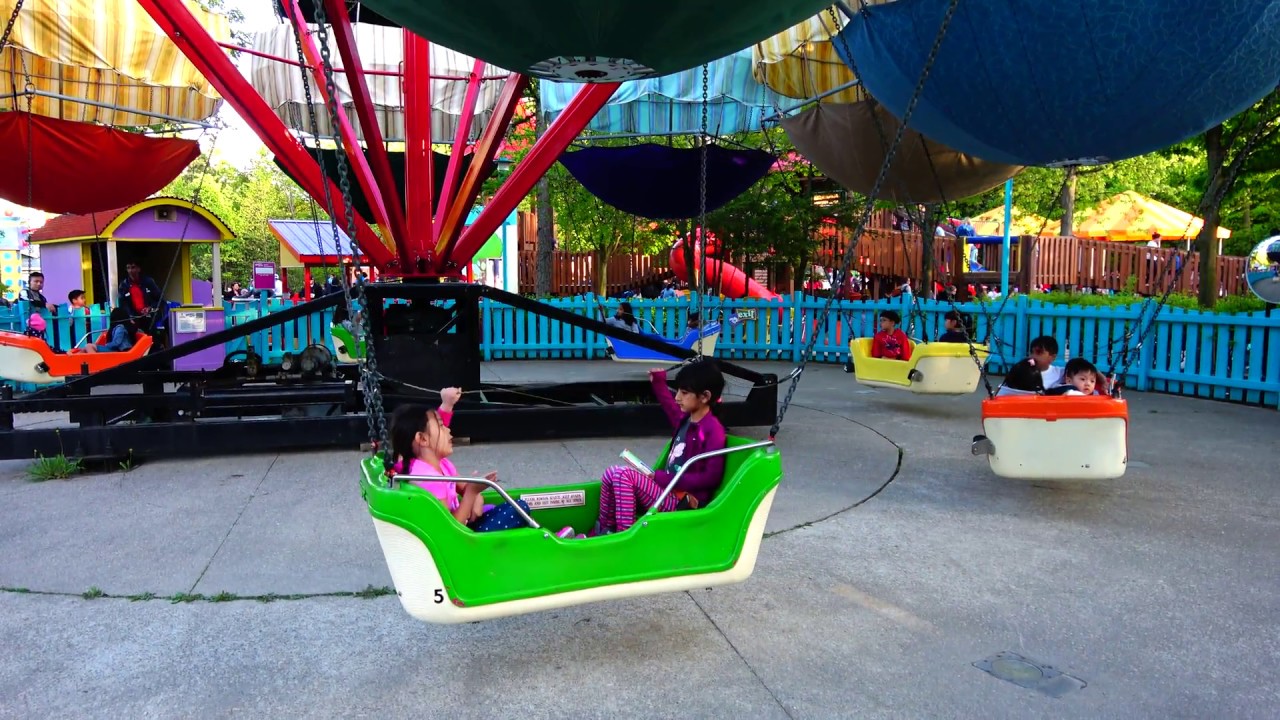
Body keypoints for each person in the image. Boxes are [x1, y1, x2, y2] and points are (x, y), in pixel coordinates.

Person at [585, 362, 727, 536]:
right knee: (611, 473)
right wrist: (659, 382)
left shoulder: (713, 430)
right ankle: (603, 531)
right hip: (667, 491)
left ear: (705, 396)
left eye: (684, 393)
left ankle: (625, 537)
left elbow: (710, 478)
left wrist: (663, 478)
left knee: (623, 475)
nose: (678, 398)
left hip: (683, 501)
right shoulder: (685, 420)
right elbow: (670, 406)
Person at [386, 388, 551, 534]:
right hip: (461, 542)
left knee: (512, 508)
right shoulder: (427, 479)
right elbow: (449, 532)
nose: (448, 429)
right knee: (519, 510)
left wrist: (475, 494)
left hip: (465, 527)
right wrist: (472, 493)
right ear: (422, 439)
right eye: (442, 426)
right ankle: (550, 543)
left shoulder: (439, 464)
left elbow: (463, 487)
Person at [997, 335, 1062, 395]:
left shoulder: (1061, 373)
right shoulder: (1021, 372)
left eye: (1039, 352)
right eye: (1031, 352)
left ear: (1053, 357)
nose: (1032, 356)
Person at [118, 261, 166, 333]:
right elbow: (122, 304)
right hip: (133, 318)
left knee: (151, 337)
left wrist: (150, 308)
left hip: (149, 317)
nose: (130, 271)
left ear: (138, 269)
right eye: (128, 268)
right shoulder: (124, 285)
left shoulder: (148, 282)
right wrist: (129, 316)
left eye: (133, 267)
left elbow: (160, 300)